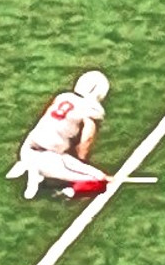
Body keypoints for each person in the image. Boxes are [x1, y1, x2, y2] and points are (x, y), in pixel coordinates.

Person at [12, 70, 112, 198]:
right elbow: (87, 139)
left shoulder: (63, 97)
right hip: (50, 158)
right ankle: (66, 192)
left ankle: (31, 167)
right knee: (99, 181)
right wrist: (81, 161)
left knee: (65, 160)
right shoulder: (91, 109)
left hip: (27, 148)